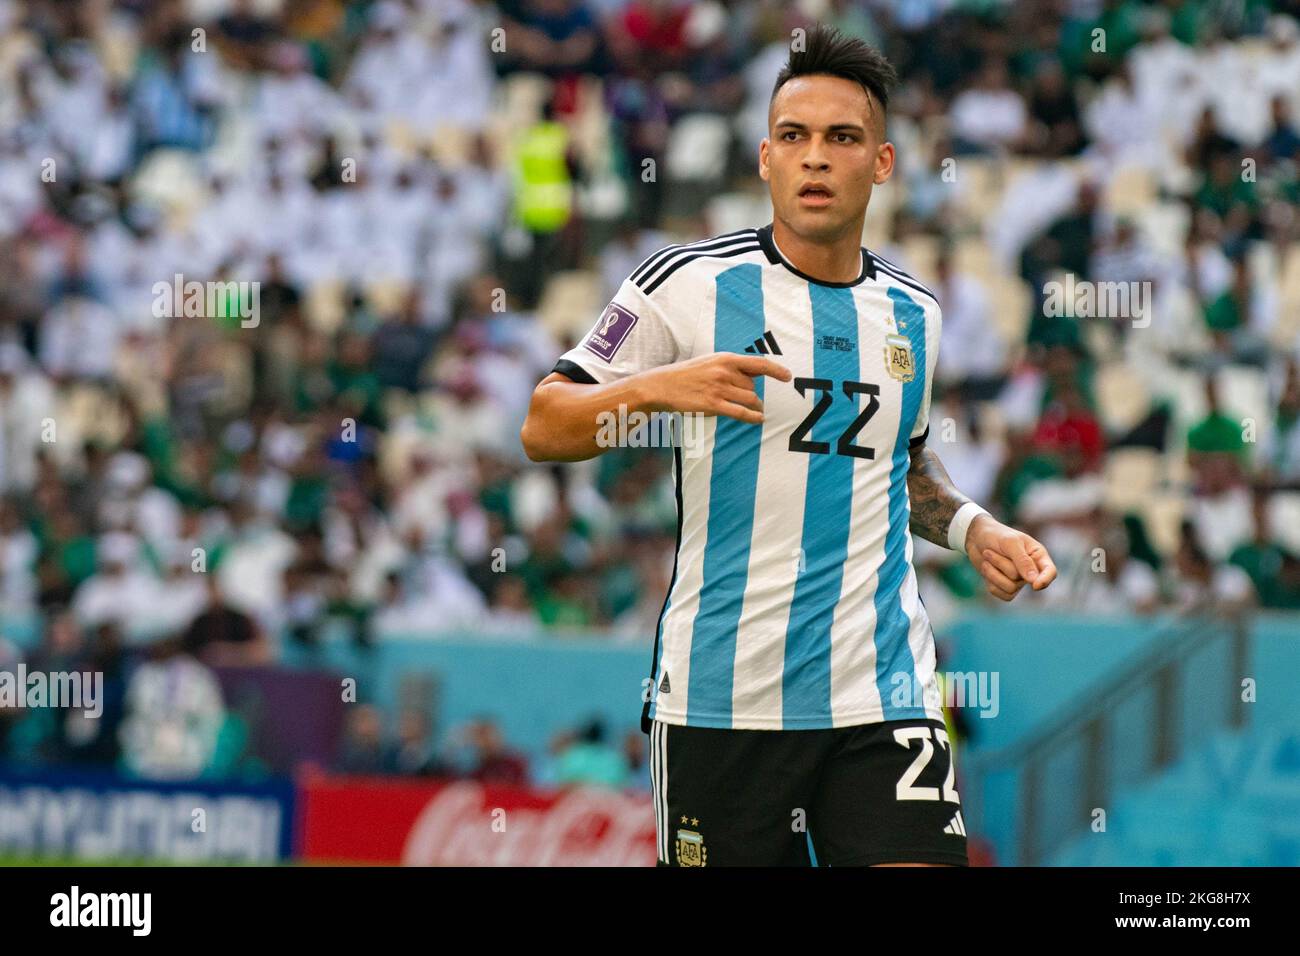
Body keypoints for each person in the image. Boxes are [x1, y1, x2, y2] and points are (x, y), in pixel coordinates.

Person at [521, 26, 1057, 867]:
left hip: (882, 689)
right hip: (720, 700)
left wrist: (973, 528)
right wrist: (660, 387)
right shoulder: (685, 284)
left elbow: (904, 462)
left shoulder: (916, 313)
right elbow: (545, 424)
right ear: (766, 157)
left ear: (881, 163)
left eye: (842, 138)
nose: (816, 158)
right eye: (796, 138)